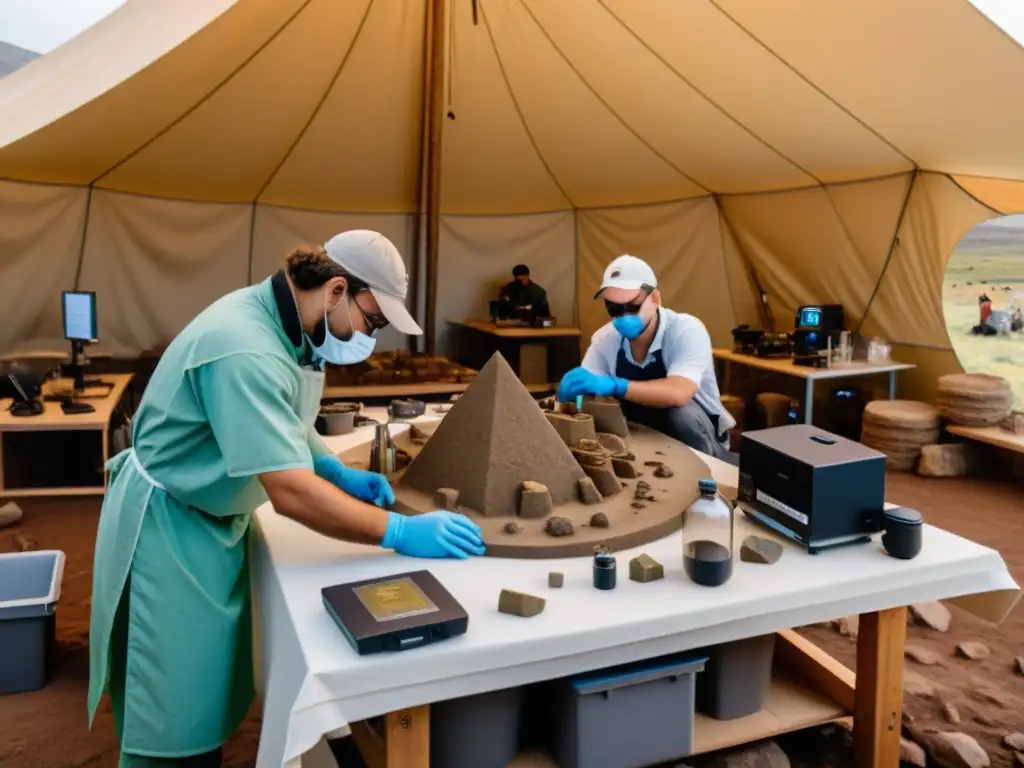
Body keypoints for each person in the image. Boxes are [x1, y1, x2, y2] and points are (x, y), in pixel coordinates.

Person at [88, 230, 486, 767]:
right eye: (374, 321)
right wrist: (398, 532)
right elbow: (291, 494)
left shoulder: (285, 325)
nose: (372, 335)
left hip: (208, 514)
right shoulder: (245, 347)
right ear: (337, 289)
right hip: (169, 526)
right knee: (171, 710)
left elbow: (282, 415)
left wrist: (329, 466)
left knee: (209, 684)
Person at [557, 254, 737, 465]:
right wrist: (574, 396)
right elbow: (587, 394)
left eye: (632, 306)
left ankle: (705, 477)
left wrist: (616, 385)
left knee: (682, 415)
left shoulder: (686, 329)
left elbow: (678, 393)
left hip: (697, 440)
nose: (623, 316)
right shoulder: (606, 339)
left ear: (655, 298)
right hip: (643, 437)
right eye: (613, 308)